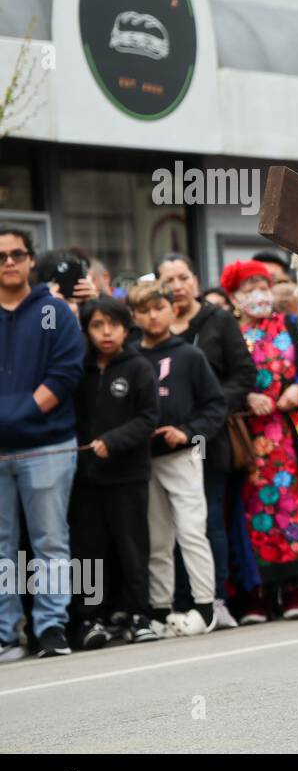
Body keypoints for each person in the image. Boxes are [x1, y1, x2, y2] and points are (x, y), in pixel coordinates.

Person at [221, 261, 298, 620]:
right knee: (249, 514)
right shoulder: (227, 334)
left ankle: (296, 590)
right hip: (246, 439)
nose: (259, 294)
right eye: (249, 288)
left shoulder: (293, 326)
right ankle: (256, 593)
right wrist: (245, 397)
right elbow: (215, 377)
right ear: (233, 297)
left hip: (291, 436)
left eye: (263, 285)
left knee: (295, 507)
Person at [157, 253, 257, 629]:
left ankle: (214, 599)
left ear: (196, 280)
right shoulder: (154, 327)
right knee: (170, 525)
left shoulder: (218, 320)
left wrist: (207, 409)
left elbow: (244, 375)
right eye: (168, 280)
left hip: (208, 435)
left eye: (183, 277)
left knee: (208, 518)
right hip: (164, 442)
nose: (177, 286)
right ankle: (178, 602)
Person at [0, 227, 85, 660]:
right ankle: (6, 632)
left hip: (47, 445)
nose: (9, 262)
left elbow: (66, 373)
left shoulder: (54, 311)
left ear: (31, 259)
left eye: (17, 254)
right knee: (1, 547)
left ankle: (51, 627)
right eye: (1, 256)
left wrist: (19, 415)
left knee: (50, 541)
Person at [129, 281, 226, 637]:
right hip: (143, 460)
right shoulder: (130, 357)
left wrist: (188, 431)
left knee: (191, 531)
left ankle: (205, 606)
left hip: (183, 455)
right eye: (143, 311)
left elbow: (215, 406)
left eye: (159, 308)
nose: (152, 316)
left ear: (174, 309)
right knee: (156, 538)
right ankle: (159, 609)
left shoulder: (190, 356)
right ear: (134, 316)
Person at [69, 297, 160, 648]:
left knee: (132, 547)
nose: (106, 333)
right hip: (86, 476)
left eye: (114, 325)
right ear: (87, 330)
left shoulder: (139, 367)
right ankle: (91, 617)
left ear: (126, 328)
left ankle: (139, 615)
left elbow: (148, 418)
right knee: (88, 551)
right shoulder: (79, 370)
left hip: (128, 474)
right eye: (97, 325)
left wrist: (113, 441)